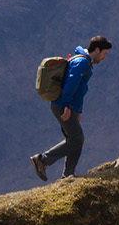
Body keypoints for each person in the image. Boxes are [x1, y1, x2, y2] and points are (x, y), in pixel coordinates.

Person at [32, 35, 111, 181]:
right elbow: (70, 86)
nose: (104, 58)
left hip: (66, 106)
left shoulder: (83, 60)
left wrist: (77, 111)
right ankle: (42, 160)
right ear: (97, 50)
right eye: (104, 53)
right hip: (62, 105)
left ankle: (67, 176)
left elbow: (79, 89)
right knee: (76, 139)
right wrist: (68, 107)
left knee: (75, 139)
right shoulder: (82, 63)